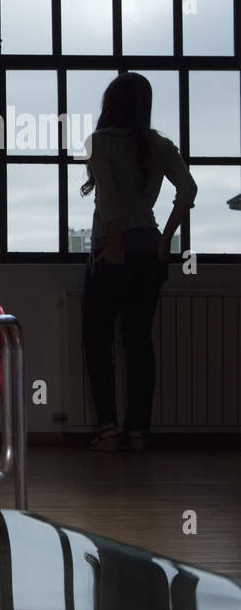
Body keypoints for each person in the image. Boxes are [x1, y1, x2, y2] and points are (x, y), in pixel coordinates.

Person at [80, 73, 197, 454]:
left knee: (98, 341)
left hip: (114, 250)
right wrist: (165, 240)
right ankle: (138, 433)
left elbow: (110, 200)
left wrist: (113, 247)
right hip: (148, 249)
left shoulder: (99, 142)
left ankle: (108, 429)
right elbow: (189, 189)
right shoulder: (159, 144)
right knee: (138, 342)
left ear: (110, 102)